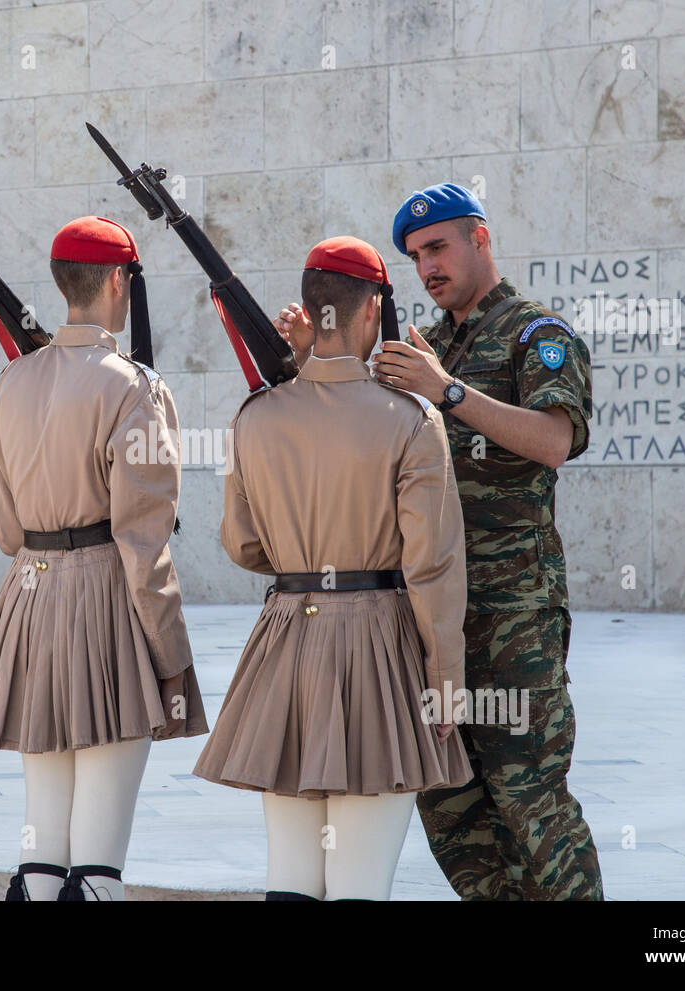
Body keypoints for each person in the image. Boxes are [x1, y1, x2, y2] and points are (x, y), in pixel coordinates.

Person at [193, 236, 472, 901]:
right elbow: (430, 564)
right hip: (377, 644)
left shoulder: (256, 416)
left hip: (285, 641)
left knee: (290, 879)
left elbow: (241, 544)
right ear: (373, 309)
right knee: (359, 883)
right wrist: (447, 679)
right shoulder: (411, 420)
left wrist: (300, 559)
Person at [0, 217, 207, 902]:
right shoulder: (134, 388)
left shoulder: (10, 382)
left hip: (30, 597)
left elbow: (8, 529)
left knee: (42, 845)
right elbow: (142, 538)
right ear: (120, 282)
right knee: (97, 861)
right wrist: (170, 655)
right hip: (106, 601)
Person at [371, 182, 603, 900]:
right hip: (438, 618)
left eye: (438, 247)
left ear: (480, 237)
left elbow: (555, 440)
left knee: (528, 797)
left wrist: (449, 392)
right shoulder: (429, 347)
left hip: (513, 619)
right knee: (450, 806)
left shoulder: (539, 335)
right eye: (414, 257)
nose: (428, 267)